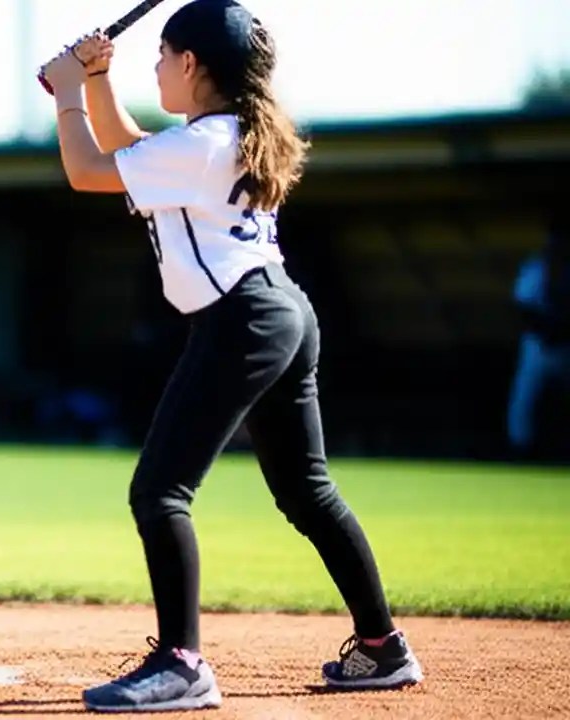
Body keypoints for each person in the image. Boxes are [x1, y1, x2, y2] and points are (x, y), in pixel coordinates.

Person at [39, 0, 422, 711]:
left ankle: (182, 663)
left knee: (159, 492)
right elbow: (130, 156)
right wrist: (95, 81)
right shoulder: (221, 135)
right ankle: (382, 646)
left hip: (242, 320)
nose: (156, 66)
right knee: (307, 492)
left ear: (192, 65)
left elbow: (90, 169)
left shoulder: (204, 142)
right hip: (281, 311)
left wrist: (65, 93)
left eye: (163, 55)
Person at [507, 220, 570, 459]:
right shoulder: (536, 267)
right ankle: (519, 450)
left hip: (566, 343)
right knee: (524, 400)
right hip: (539, 343)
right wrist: (547, 331)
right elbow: (523, 307)